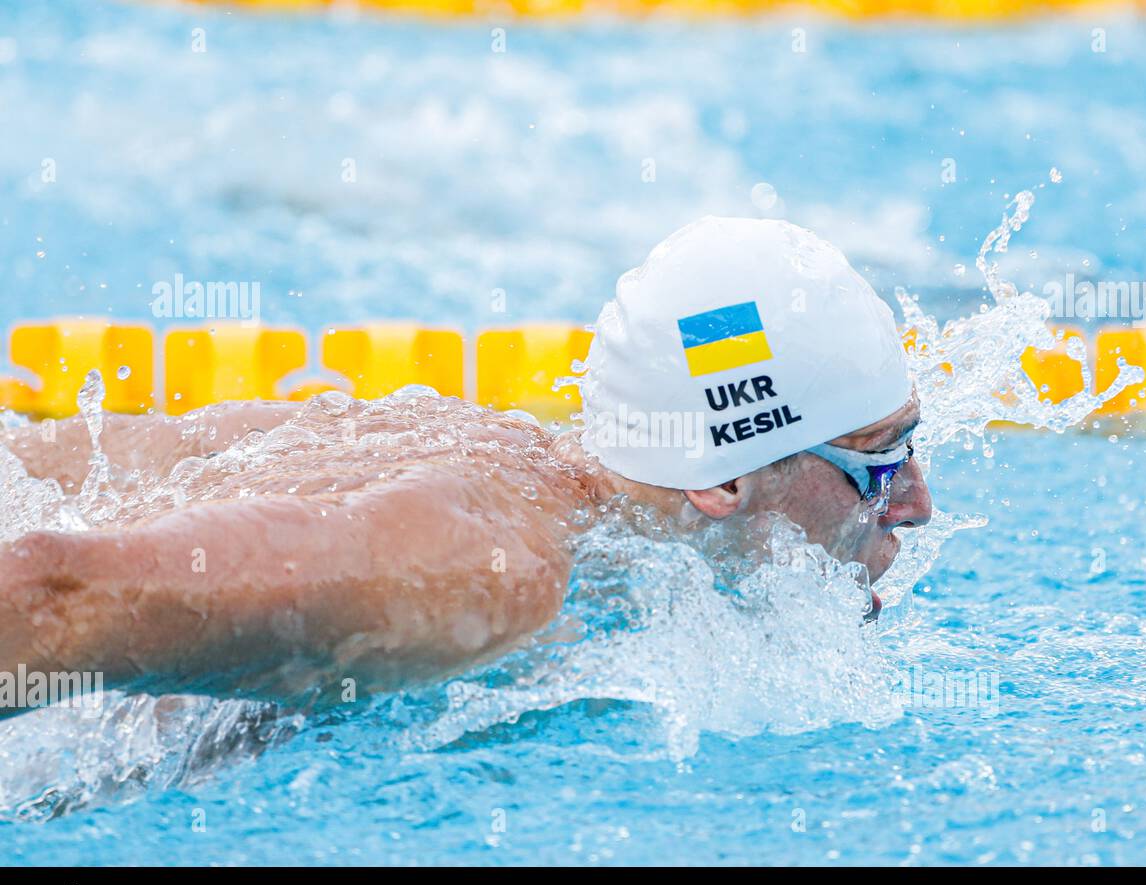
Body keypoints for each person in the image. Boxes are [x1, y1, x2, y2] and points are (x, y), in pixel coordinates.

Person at [0, 217, 931, 714]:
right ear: (720, 479)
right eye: (875, 461)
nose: (916, 503)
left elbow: (46, 462)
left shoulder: (486, 450)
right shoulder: (481, 574)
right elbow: (56, 595)